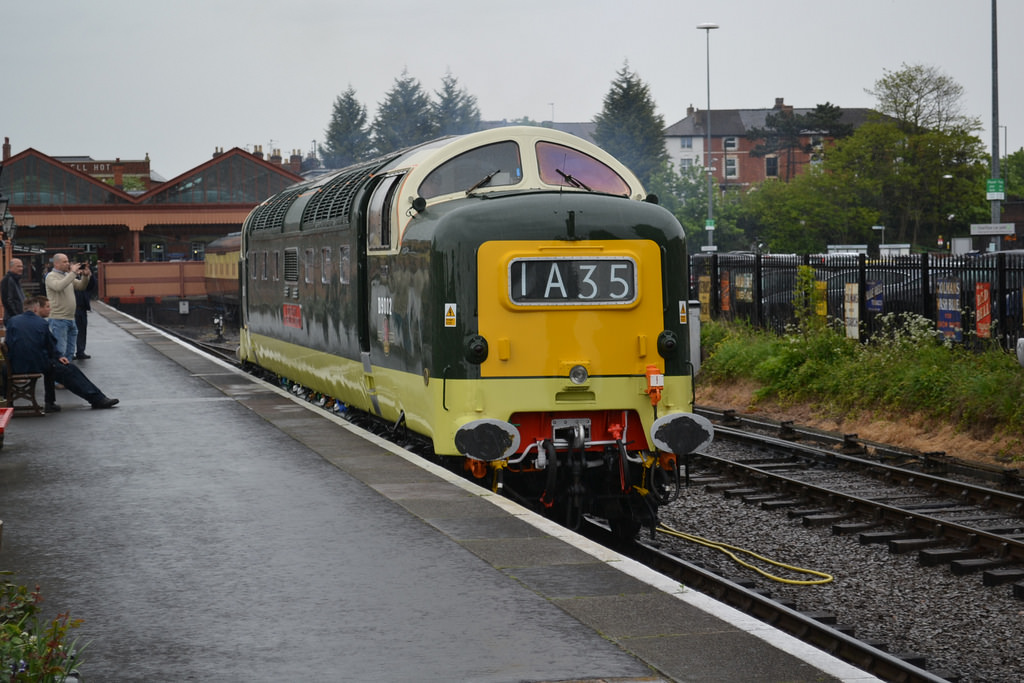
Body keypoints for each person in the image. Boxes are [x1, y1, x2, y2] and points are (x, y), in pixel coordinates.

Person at [5, 296, 119, 411]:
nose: (50, 309)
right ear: (36, 309)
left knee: (52, 366)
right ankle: (97, 399)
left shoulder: (12, 321)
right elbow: (50, 345)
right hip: (37, 364)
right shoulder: (41, 323)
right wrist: (59, 356)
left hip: (15, 365)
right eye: (47, 307)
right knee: (69, 370)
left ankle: (49, 402)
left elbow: (9, 344)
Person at [44, 253, 89, 360]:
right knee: (60, 352)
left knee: (70, 352)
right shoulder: (51, 276)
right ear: (56, 264)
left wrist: (85, 276)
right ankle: (58, 375)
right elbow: (58, 286)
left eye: (68, 261)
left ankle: (67, 374)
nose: (67, 264)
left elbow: (81, 286)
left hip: (70, 318)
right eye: (64, 262)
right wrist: (73, 273)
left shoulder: (66, 276)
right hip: (59, 318)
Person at [74, 260, 98, 359]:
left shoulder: (85, 277)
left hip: (82, 308)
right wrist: (74, 274)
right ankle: (70, 352)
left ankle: (80, 351)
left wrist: (89, 275)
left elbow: (92, 286)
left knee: (82, 331)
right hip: (72, 308)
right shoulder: (70, 277)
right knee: (72, 331)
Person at [1, 257, 26, 327]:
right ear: (11, 267)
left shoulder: (16, 279)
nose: (21, 268)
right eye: (18, 266)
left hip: (19, 316)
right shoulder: (7, 280)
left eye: (21, 266)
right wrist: (16, 315)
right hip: (13, 318)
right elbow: (7, 300)